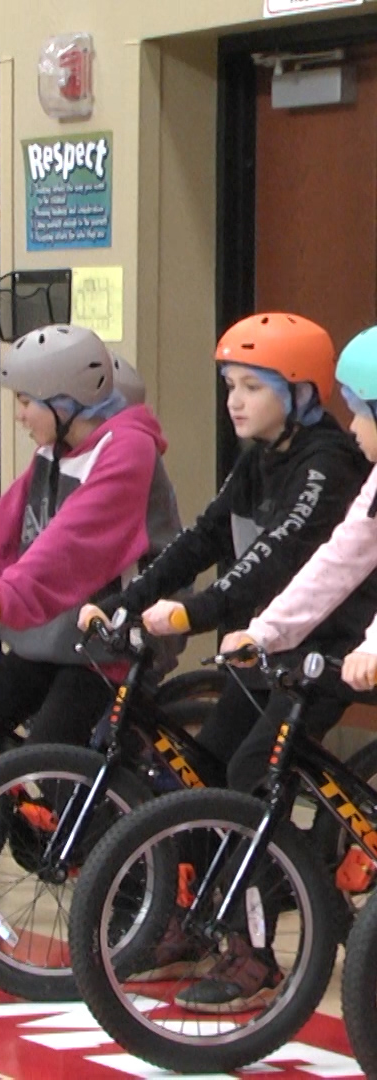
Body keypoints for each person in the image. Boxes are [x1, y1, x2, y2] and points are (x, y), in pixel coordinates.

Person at [82, 314, 365, 786]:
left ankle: (286, 861)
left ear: (300, 394)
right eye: (230, 386)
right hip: (268, 648)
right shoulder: (260, 456)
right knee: (203, 769)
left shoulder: (328, 465)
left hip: (322, 649)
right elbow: (202, 537)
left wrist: (197, 610)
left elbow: (276, 555)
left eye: (252, 387)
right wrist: (124, 603)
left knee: (250, 773)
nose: (234, 401)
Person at [0, 325, 179, 755]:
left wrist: (1, 596)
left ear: (66, 402)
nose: (20, 415)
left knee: (47, 755)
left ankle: (107, 824)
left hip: (114, 635)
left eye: (26, 402)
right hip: (56, 635)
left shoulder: (128, 449)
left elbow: (69, 547)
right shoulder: (54, 453)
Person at [204, 323, 377, 1014]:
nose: (356, 427)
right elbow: (341, 558)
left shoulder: (330, 461)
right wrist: (267, 630)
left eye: (362, 411)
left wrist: (370, 647)